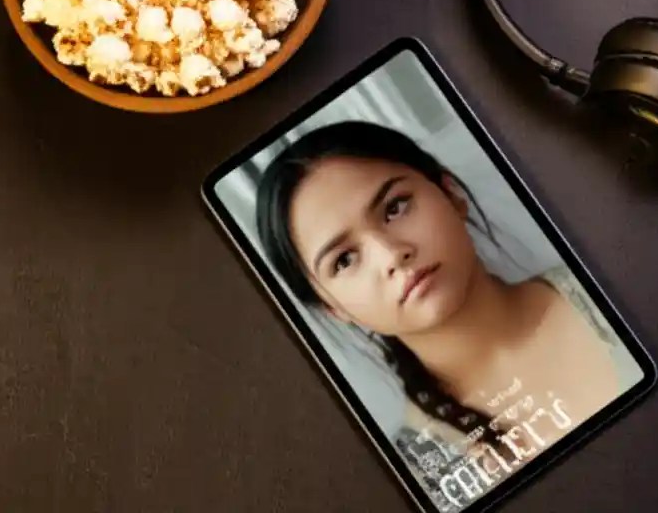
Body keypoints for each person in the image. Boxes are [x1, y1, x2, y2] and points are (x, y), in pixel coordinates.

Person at [255, 121, 638, 508]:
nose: (391, 255)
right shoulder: (415, 480)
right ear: (333, 308)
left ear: (450, 193)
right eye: (345, 260)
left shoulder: (617, 287)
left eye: (395, 207)